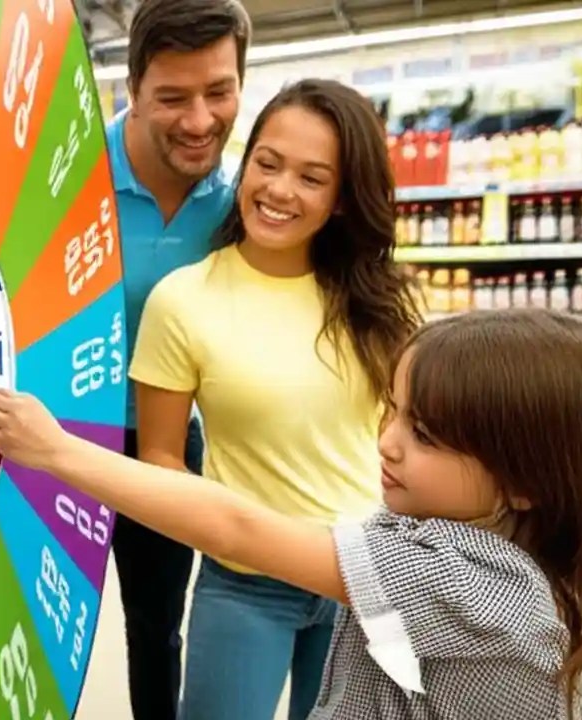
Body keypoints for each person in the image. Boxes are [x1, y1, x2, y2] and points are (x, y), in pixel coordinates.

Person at [0, 307, 582, 720]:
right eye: (391, 409)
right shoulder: (517, 557)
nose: (387, 440)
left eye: (425, 434)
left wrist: (59, 451)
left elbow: (233, 527)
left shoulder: (465, 583)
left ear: (526, 481)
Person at [126, 78, 421, 719]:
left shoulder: (374, 301)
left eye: (313, 178)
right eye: (267, 163)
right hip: (246, 584)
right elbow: (161, 462)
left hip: (369, 578)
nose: (280, 190)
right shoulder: (183, 299)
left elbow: (399, 444)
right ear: (245, 161)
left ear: (343, 199)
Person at [103, 1, 250, 718]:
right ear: (131, 87)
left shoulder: (242, 209)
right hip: (38, 432)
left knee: (156, 630)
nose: (199, 120)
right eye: (172, 97)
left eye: (218, 91)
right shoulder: (67, 178)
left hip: (162, 444)